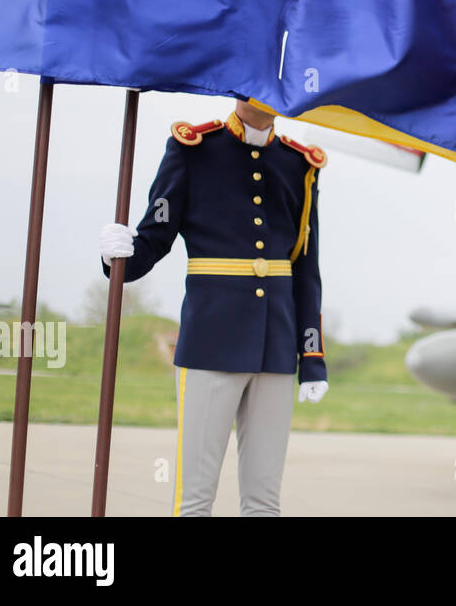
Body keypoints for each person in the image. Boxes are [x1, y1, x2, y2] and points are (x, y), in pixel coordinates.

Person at [99, 99, 329, 516]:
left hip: (275, 347)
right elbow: (156, 236)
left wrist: (312, 358)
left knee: (264, 502)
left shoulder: (299, 164)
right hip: (211, 342)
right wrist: (119, 257)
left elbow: (306, 271)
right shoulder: (193, 148)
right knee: (196, 500)